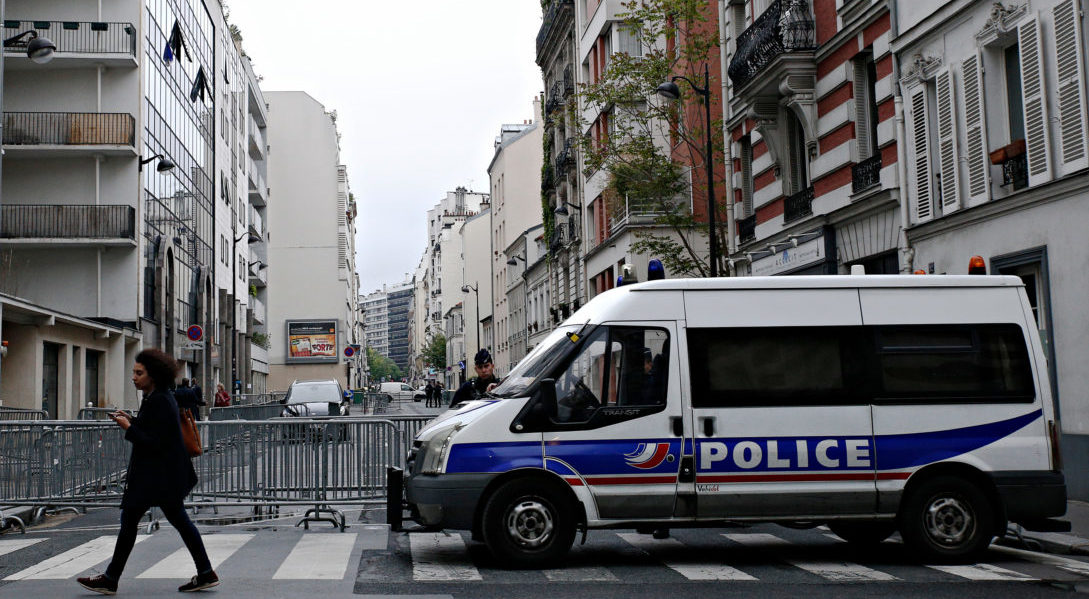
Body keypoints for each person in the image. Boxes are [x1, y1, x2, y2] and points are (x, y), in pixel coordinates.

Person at [77, 349, 219, 595]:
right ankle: (205, 572)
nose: (134, 377)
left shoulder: (160, 400)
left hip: (158, 478)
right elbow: (153, 430)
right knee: (160, 522)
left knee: (138, 522)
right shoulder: (156, 397)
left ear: (153, 375)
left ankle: (111, 579)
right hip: (161, 477)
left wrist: (127, 427)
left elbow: (155, 443)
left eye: (139, 373)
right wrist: (130, 420)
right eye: (134, 372)